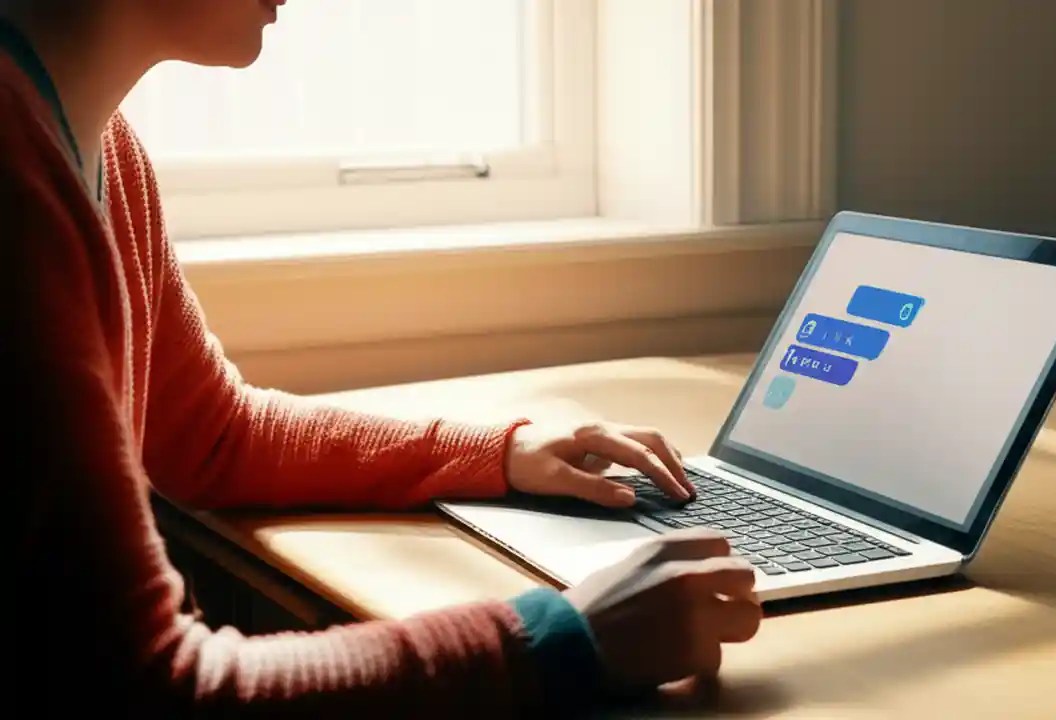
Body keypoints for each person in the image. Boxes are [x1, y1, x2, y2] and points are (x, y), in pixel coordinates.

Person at [2, 0, 762, 715]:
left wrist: (500, 455)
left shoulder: (100, 142)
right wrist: (562, 638)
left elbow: (211, 436)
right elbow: (158, 687)